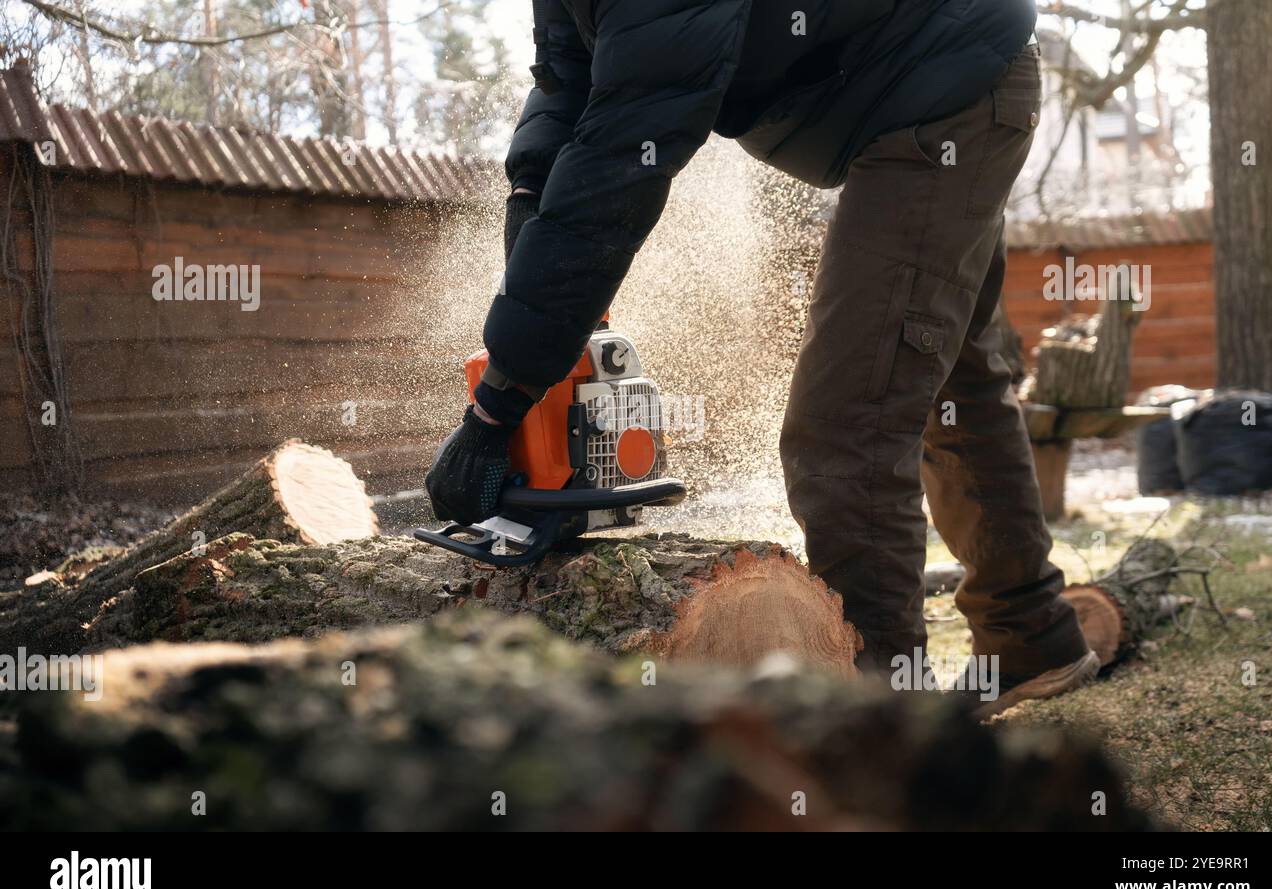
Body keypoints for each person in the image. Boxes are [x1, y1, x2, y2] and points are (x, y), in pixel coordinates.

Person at [427, 0, 1100, 717]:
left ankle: (881, 731)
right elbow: (568, 78)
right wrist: (530, 193)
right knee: (953, 382)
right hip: (949, 81)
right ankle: (1031, 636)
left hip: (947, 97)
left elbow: (626, 151)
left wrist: (498, 401)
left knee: (847, 428)